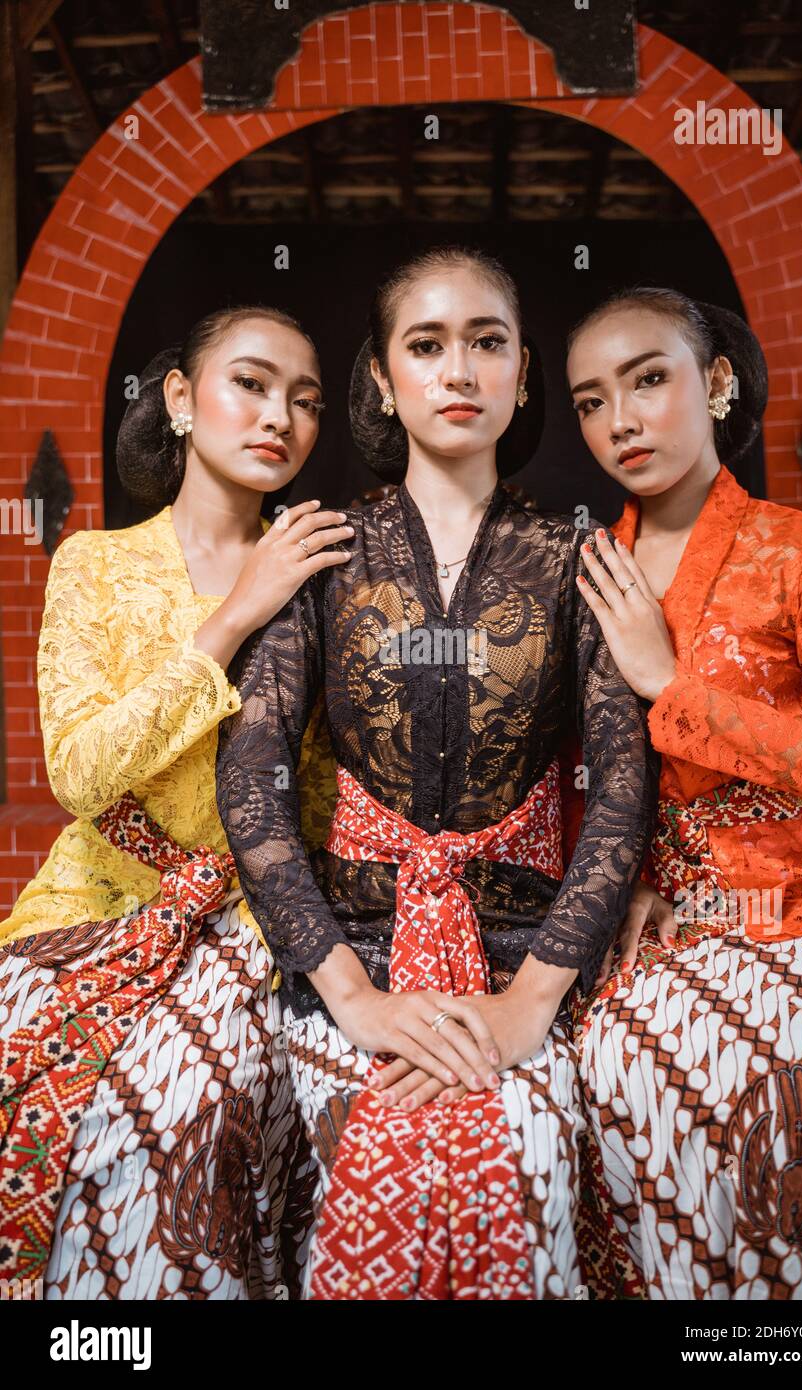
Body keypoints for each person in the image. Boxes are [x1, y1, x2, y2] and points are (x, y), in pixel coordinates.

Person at [216, 247, 659, 1300]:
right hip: (351, 948)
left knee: (536, 1144)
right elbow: (253, 771)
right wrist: (353, 996)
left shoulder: (575, 556)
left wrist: (528, 1007)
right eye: (426, 345)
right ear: (381, 376)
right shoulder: (321, 548)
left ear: (519, 372)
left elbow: (620, 787)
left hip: (528, 953)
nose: (457, 370)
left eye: (485, 342)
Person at [0, 306, 354, 1298]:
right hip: (98, 900)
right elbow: (79, 772)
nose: (279, 414)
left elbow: (325, 790)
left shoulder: (322, 566)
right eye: (250, 383)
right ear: (181, 400)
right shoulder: (95, 564)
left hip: (252, 917)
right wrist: (239, 607)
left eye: (305, 398)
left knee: (185, 1108)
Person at [566, 285, 802, 1299]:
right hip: (659, 915)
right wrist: (633, 875)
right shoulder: (589, 571)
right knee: (605, 1062)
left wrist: (670, 685)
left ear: (717, 382)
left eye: (647, 379)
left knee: (767, 1065)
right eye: (590, 400)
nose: (621, 420)